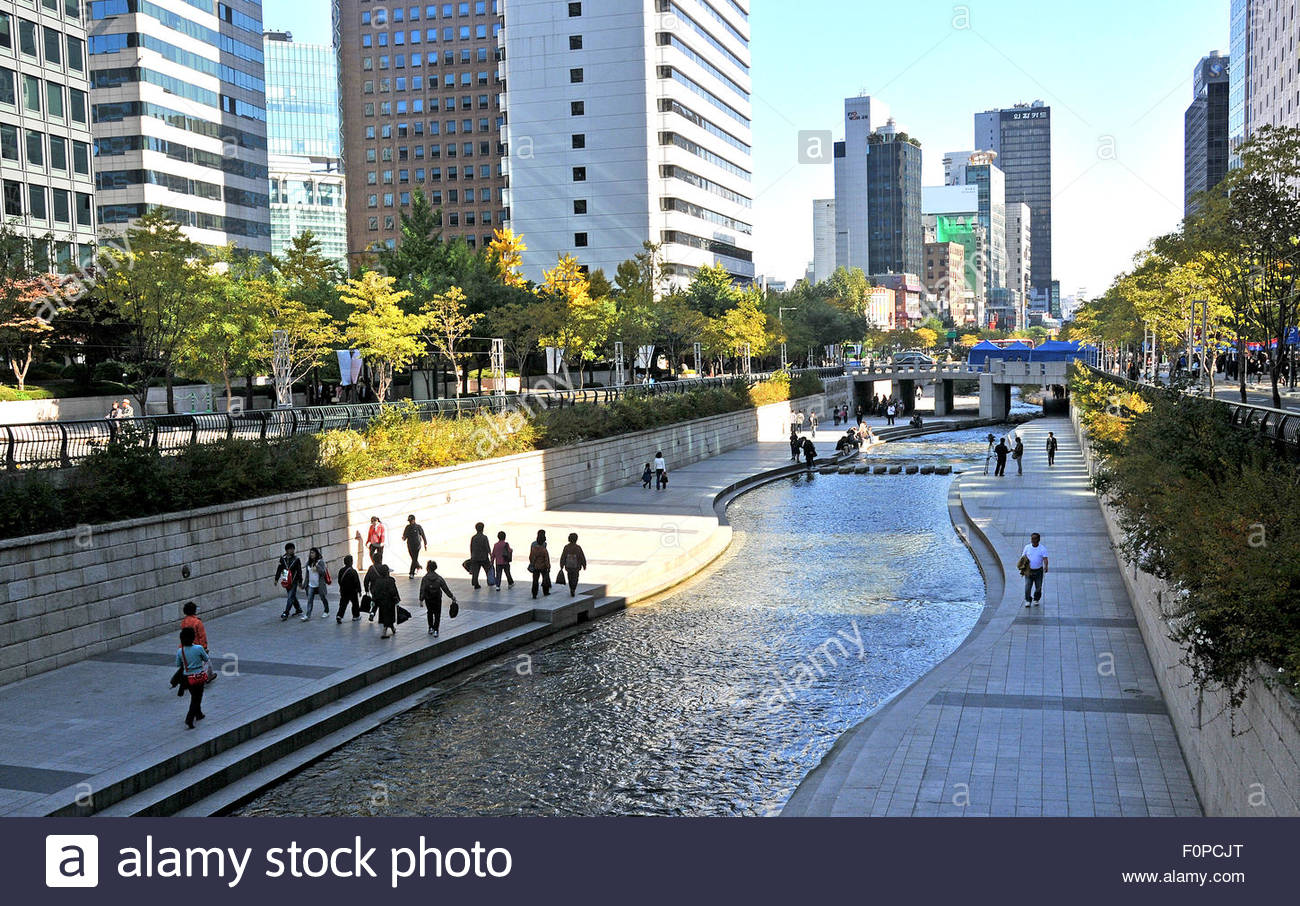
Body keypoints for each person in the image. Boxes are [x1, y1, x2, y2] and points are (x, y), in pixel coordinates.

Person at [175, 626, 210, 729]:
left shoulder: (180, 651)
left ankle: (199, 713)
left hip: (188, 677)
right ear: (193, 637)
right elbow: (206, 658)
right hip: (198, 676)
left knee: (194, 695)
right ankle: (189, 718)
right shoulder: (198, 648)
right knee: (197, 698)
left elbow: (178, 664)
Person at [419, 561, 457, 637]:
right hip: (437, 598)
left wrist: (421, 599)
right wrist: (452, 596)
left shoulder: (425, 578)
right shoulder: (439, 578)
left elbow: (422, 589)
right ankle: (436, 630)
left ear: (427, 568)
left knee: (429, 612)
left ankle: (430, 628)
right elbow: (445, 588)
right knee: (437, 614)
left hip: (428, 598)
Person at [275, 543, 304, 621]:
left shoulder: (296, 559)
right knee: (292, 596)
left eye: (293, 549)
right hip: (286, 580)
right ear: (287, 550)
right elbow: (279, 569)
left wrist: (300, 581)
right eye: (290, 549)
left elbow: (299, 571)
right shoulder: (282, 559)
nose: (292, 550)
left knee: (290, 596)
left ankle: (286, 613)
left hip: (294, 580)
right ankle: (298, 609)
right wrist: (276, 579)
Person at [1021, 532, 1049, 607]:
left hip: (1038, 571)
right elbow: (1023, 557)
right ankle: (1028, 600)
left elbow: (1045, 559)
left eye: (1035, 538)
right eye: (1032, 538)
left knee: (1038, 586)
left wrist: (1046, 566)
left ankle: (1036, 599)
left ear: (1038, 539)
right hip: (1029, 571)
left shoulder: (1042, 549)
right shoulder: (1027, 547)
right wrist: (1022, 567)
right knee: (1027, 586)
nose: (1033, 540)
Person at [372, 564, 401, 638]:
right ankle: (384, 632)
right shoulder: (390, 580)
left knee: (385, 616)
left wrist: (374, 600)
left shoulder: (378, 581)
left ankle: (393, 628)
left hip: (381, 602)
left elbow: (375, 592)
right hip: (389, 602)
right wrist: (397, 599)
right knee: (389, 616)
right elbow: (393, 591)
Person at [302, 547, 329, 621]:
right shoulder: (308, 563)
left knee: (323, 598)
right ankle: (308, 615)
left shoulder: (320, 562)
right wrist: (304, 585)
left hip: (319, 585)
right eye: (310, 553)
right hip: (311, 585)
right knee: (309, 600)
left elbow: (323, 573)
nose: (311, 554)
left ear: (316, 554)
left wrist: (317, 566)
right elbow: (307, 576)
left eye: (313, 553)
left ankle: (326, 611)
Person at [336, 554, 362, 624]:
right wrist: (359, 591)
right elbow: (357, 582)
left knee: (343, 604)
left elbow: (339, 580)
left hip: (344, 591)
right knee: (355, 604)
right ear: (351, 562)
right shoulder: (353, 571)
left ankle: (339, 616)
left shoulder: (341, 570)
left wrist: (341, 587)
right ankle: (355, 616)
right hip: (352, 591)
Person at [559, 533, 587, 597]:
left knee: (570, 577)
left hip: (568, 566)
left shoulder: (566, 547)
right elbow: (582, 556)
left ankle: (571, 587)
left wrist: (562, 564)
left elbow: (563, 556)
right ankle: (573, 588)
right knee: (575, 578)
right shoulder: (578, 547)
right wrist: (584, 564)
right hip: (576, 566)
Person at [529, 529, 552, 599]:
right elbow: (546, 558)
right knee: (545, 578)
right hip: (543, 566)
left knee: (535, 580)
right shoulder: (544, 546)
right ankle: (546, 592)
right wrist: (548, 566)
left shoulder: (533, 545)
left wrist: (532, 563)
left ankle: (534, 594)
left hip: (536, 566)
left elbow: (531, 556)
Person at [468, 522, 492, 588]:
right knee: (488, 570)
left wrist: (472, 556)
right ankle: (490, 581)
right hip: (484, 557)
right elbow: (487, 547)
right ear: (483, 529)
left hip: (475, 557)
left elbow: (471, 547)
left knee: (475, 572)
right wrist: (490, 554)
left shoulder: (473, 537)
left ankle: (475, 584)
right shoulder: (484, 537)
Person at [363, 552, 384, 622]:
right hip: (382, 589)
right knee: (381, 602)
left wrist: (366, 589)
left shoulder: (371, 568)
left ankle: (372, 613)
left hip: (373, 589)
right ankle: (381, 617)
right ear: (381, 559)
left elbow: (366, 580)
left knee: (376, 601)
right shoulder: (383, 568)